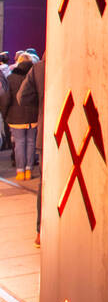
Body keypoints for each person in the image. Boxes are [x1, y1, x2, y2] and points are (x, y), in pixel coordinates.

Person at [16, 55, 46, 245]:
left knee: (45, 186)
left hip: (47, 133)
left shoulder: (39, 69)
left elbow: (22, 97)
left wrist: (42, 107)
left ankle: (40, 232)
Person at [5, 52, 39, 181]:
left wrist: (6, 113)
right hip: (33, 116)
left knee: (19, 143)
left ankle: (20, 171)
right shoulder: (35, 76)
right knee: (31, 143)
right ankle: (29, 170)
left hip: (16, 117)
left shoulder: (11, 78)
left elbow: (6, 98)